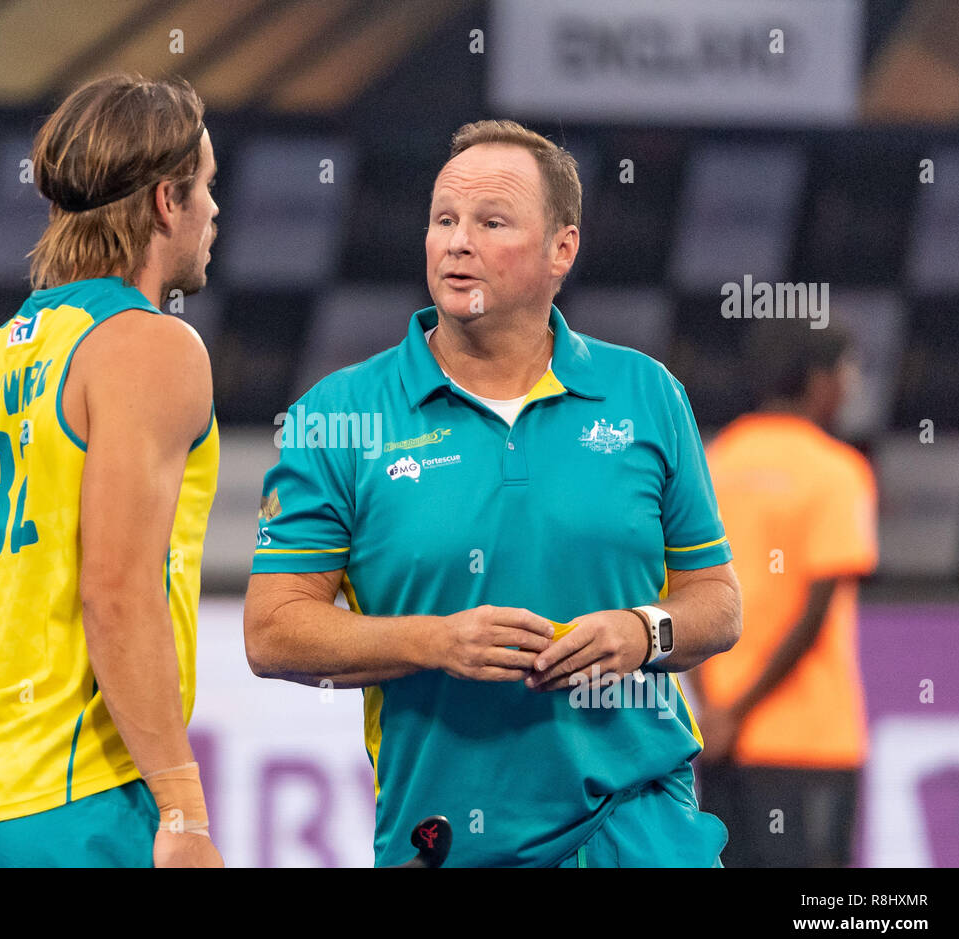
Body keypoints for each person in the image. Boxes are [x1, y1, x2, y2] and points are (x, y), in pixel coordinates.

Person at [244, 120, 742, 867]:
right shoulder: (338, 415)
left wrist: (644, 633)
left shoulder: (646, 393)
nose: (457, 241)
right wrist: (434, 641)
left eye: (491, 221)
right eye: (443, 219)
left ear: (561, 251)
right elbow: (273, 631)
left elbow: (719, 602)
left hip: (641, 827)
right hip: (446, 838)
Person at [0, 74, 222, 868]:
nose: (214, 212)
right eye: (206, 188)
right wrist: (185, 812)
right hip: (82, 802)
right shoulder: (152, 346)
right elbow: (118, 591)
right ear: (166, 201)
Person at [687, 321, 877, 868]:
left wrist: (716, 712)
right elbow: (813, 617)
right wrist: (743, 710)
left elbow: (686, 596)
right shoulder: (836, 471)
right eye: (847, 371)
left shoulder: (710, 462)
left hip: (721, 743)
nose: (852, 385)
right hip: (811, 739)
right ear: (817, 381)